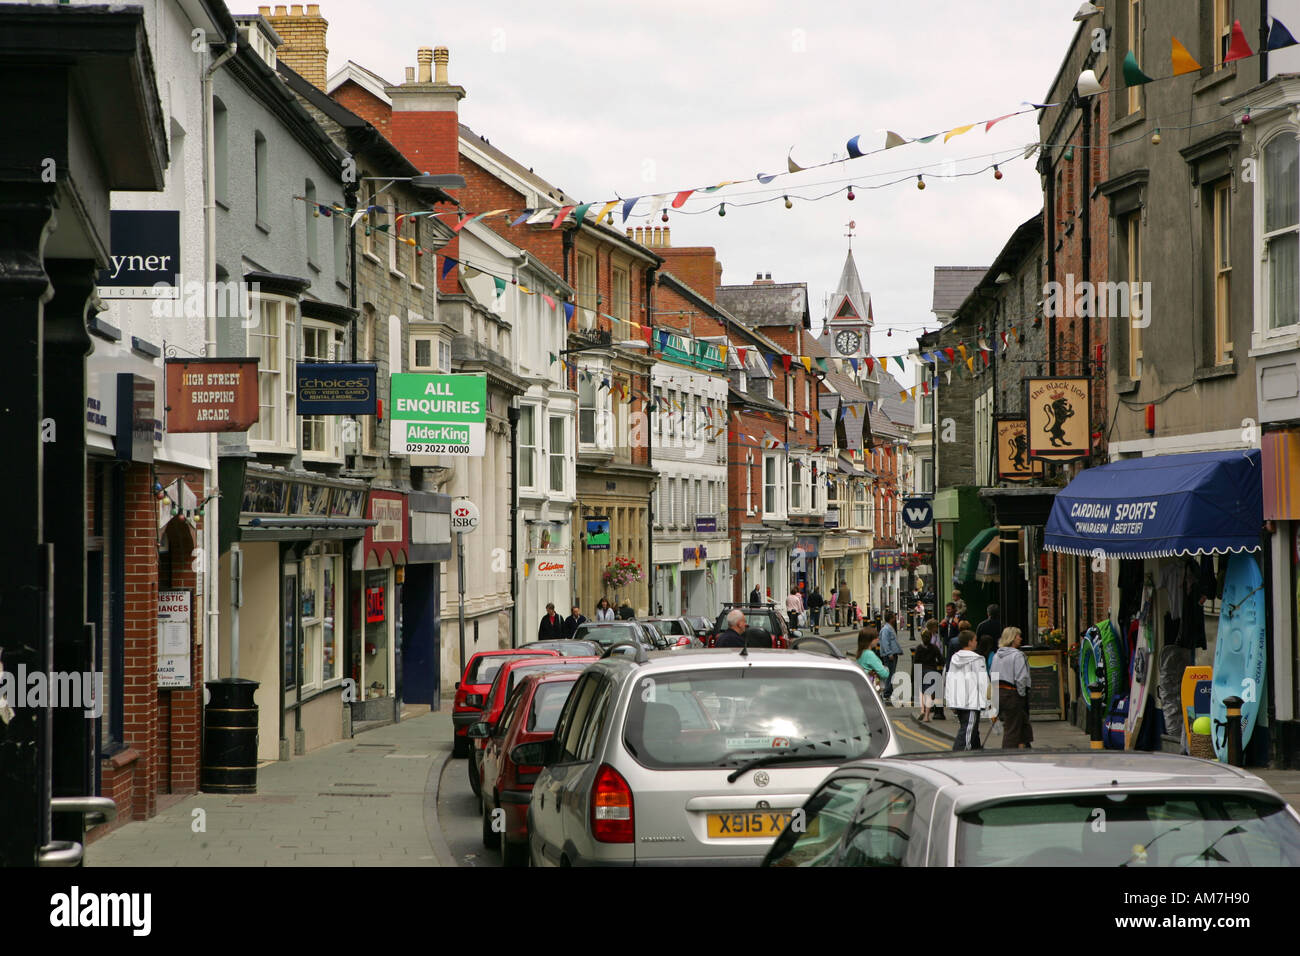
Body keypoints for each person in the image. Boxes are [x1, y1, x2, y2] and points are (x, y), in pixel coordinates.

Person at [944, 629, 990, 751]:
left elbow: (950, 679)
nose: (977, 642)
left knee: (972, 730)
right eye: (975, 640)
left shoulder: (954, 658)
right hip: (972, 702)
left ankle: (977, 752)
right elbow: (983, 682)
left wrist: (950, 701)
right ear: (970, 642)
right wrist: (988, 702)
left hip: (958, 701)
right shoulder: (978, 659)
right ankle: (959, 754)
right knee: (967, 732)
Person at [991, 627, 1033, 749]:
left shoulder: (996, 655)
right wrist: (1022, 694)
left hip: (1000, 693)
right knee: (1012, 728)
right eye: (1018, 636)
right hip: (1013, 693)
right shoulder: (1017, 655)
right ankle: (1008, 754)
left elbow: (993, 675)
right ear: (1012, 638)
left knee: (1023, 723)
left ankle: (1024, 746)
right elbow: (1021, 677)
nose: (1020, 638)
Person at [913, 620, 944, 722]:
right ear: (931, 637)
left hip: (921, 671)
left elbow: (915, 661)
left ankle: (922, 710)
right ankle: (927, 715)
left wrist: (913, 675)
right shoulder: (934, 648)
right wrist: (941, 665)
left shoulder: (919, 648)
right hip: (932, 671)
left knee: (922, 692)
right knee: (930, 693)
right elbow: (941, 659)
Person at [878, 610, 902, 703]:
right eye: (894, 617)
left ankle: (889, 692)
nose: (895, 618)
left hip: (893, 654)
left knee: (892, 674)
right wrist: (889, 653)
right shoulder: (886, 629)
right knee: (889, 674)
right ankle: (887, 694)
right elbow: (884, 642)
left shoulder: (890, 628)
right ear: (891, 619)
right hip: (890, 655)